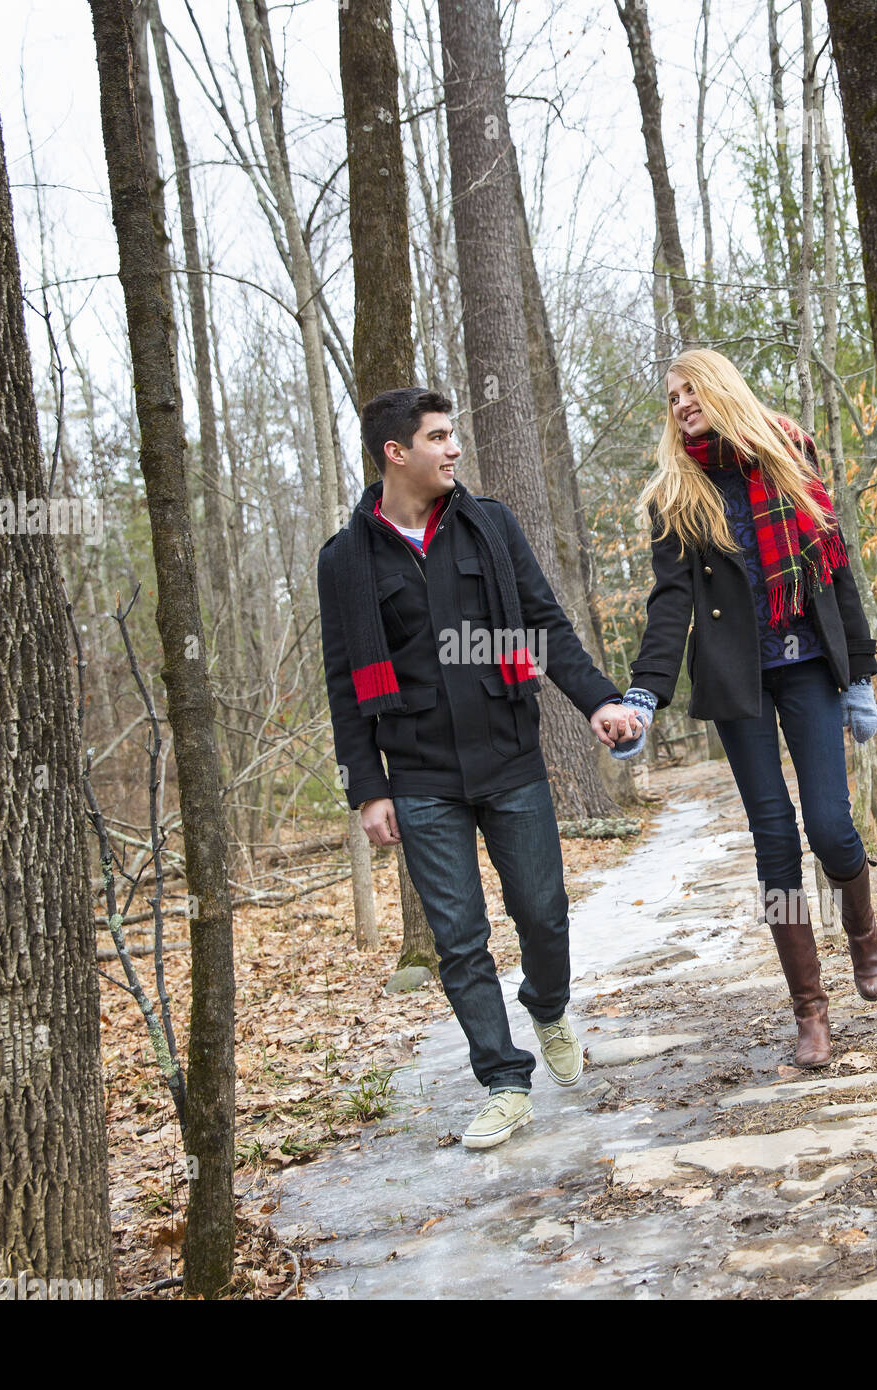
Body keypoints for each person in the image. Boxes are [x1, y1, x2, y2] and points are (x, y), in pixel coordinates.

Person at [317, 387, 642, 1148]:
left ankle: (549, 1005)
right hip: (421, 775)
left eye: (453, 434)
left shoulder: (489, 526)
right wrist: (369, 788)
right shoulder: (345, 560)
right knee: (459, 939)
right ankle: (501, 1078)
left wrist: (595, 701)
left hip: (509, 756)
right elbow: (344, 682)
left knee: (542, 911)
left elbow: (545, 623)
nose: (454, 448)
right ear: (396, 453)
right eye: (439, 437)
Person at [611, 349, 877, 1069]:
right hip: (738, 680)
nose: (680, 404)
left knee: (830, 826)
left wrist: (858, 673)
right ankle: (811, 1012)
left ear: (720, 387)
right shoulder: (676, 493)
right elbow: (670, 603)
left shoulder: (790, 450)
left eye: (690, 389)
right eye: (670, 396)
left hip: (808, 668)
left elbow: (836, 563)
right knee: (773, 840)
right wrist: (644, 692)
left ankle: (862, 930)